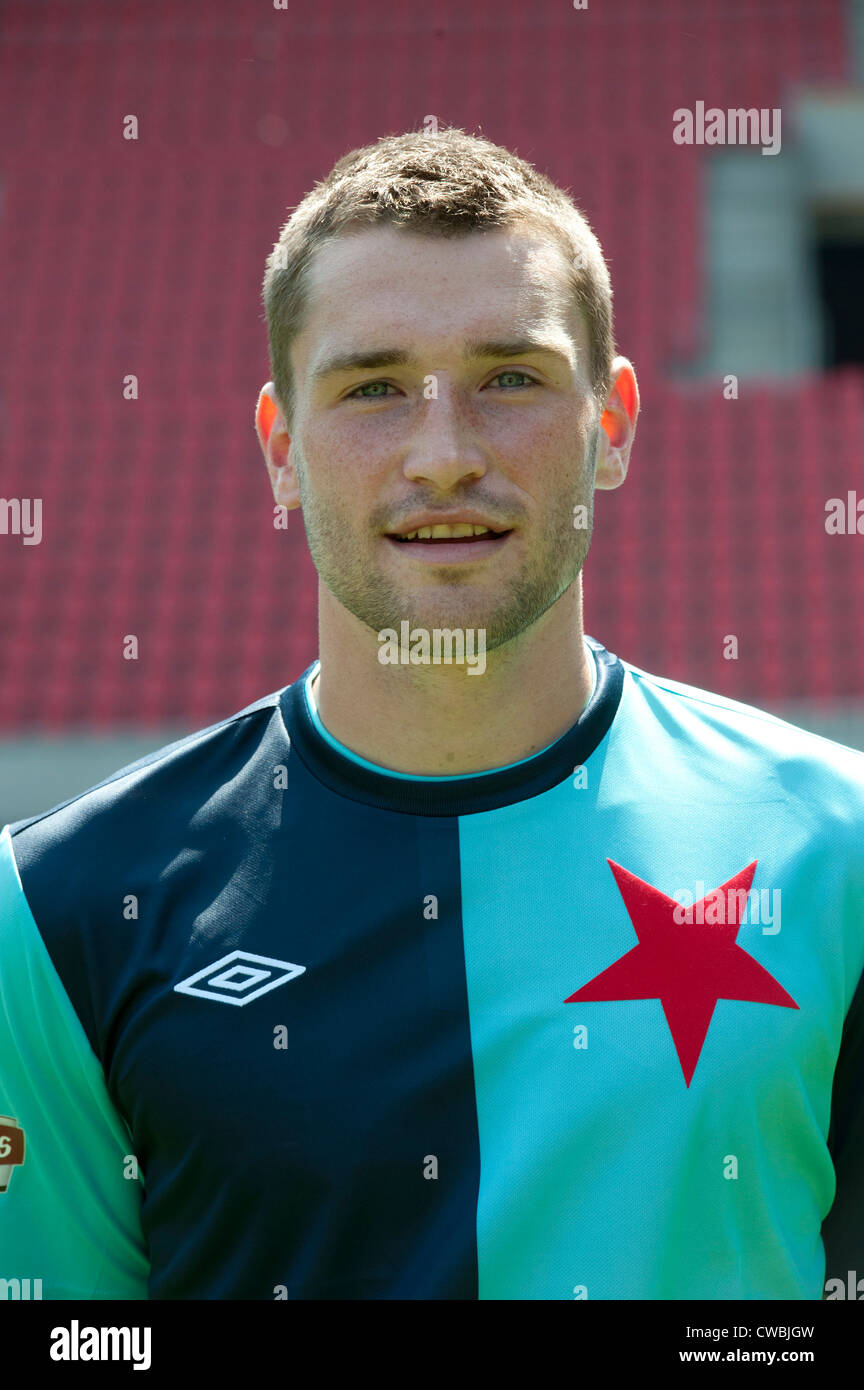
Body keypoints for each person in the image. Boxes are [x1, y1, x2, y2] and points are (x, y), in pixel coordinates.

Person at [1, 127, 861, 1301]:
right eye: (375, 388)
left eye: (511, 377)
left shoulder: (836, 851)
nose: (444, 454)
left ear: (610, 425)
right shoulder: (60, 911)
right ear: (282, 449)